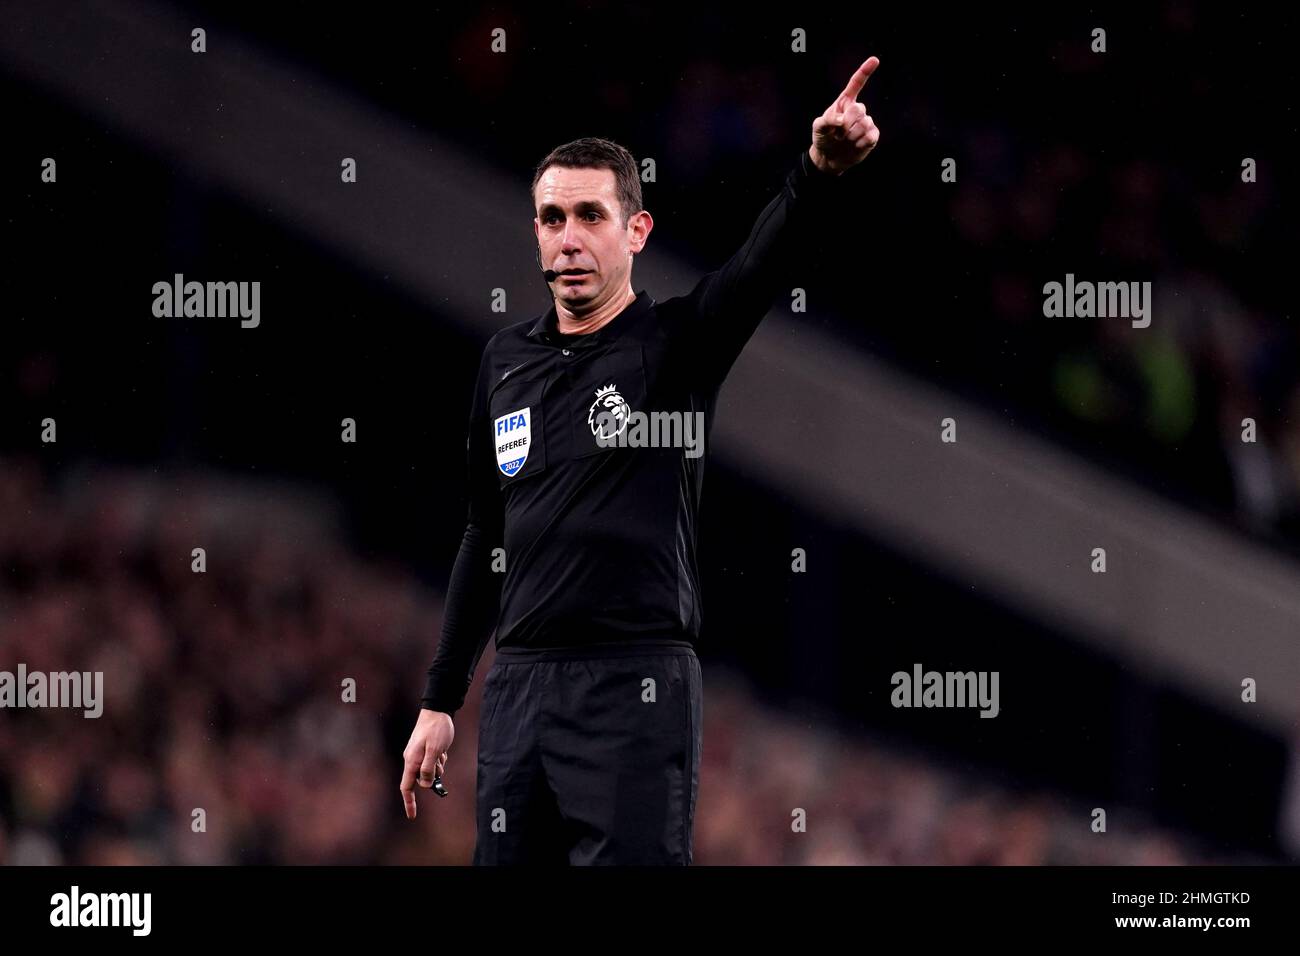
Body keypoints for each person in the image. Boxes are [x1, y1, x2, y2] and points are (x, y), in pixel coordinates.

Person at [401, 56, 883, 864]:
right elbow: (485, 531)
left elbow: (755, 270)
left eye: (591, 215)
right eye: (552, 219)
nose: (569, 239)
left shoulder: (674, 348)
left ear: (636, 230)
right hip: (519, 689)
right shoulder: (504, 362)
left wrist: (815, 173)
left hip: (635, 688)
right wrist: (441, 700)